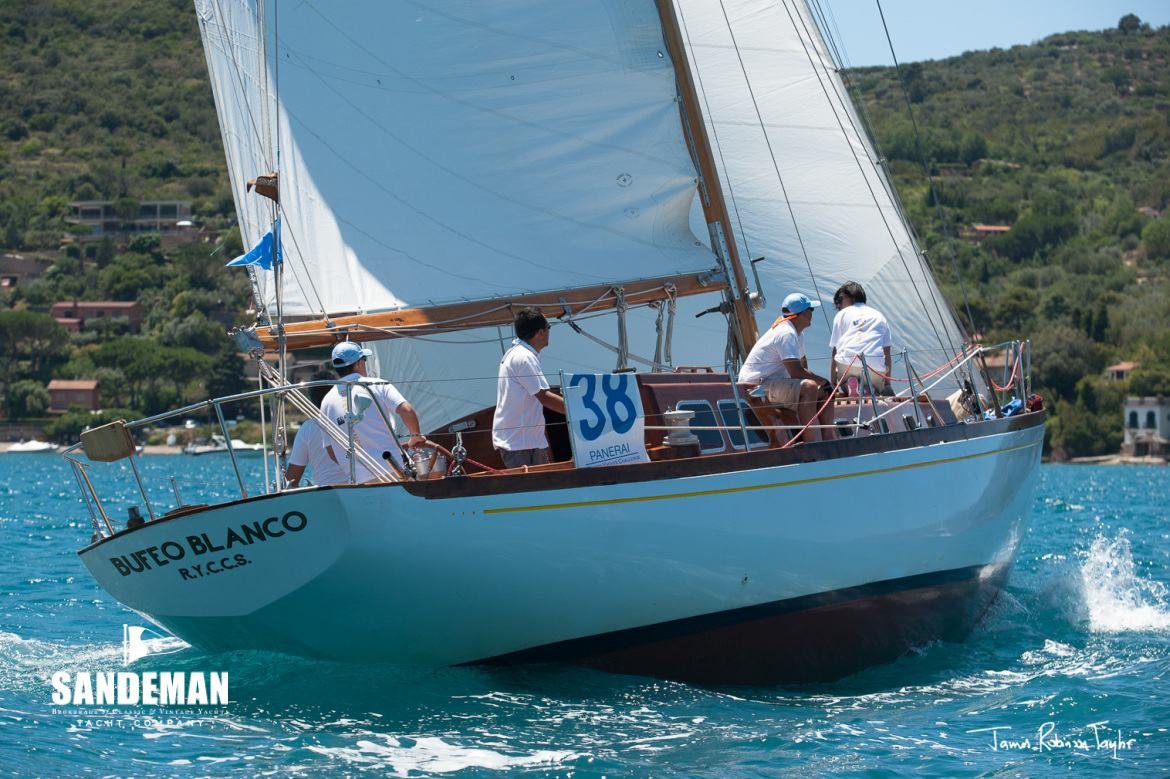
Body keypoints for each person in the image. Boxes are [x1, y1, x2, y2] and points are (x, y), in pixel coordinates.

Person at [738, 292, 836, 444]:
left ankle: (829, 440)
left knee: (827, 392)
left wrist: (825, 386)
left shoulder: (797, 333)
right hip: (755, 387)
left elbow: (803, 365)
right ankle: (810, 445)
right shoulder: (786, 333)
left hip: (770, 383)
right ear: (803, 314)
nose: (812, 313)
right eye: (811, 310)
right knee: (810, 387)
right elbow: (796, 372)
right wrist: (824, 381)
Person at [320, 341, 424, 482]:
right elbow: (407, 411)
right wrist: (415, 436)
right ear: (359, 363)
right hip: (395, 472)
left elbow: (331, 451)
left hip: (359, 480)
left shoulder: (326, 402)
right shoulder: (376, 384)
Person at [492, 307, 566, 469]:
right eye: (549, 328)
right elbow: (544, 397)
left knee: (544, 489)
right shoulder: (524, 358)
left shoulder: (518, 354)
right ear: (540, 333)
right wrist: (577, 411)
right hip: (520, 444)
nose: (549, 332)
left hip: (525, 441)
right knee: (534, 491)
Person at [285, 370, 348, 488]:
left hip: (326, 493)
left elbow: (291, 482)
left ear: (313, 400)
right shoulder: (353, 419)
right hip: (360, 489)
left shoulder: (307, 429)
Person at [829, 281, 893, 396]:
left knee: (844, 381)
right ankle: (869, 389)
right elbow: (886, 353)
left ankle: (850, 386)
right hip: (874, 369)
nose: (838, 305)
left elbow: (835, 352)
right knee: (877, 387)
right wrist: (887, 385)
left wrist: (833, 385)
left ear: (852, 296)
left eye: (839, 300)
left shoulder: (842, 315)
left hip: (848, 366)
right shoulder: (879, 316)